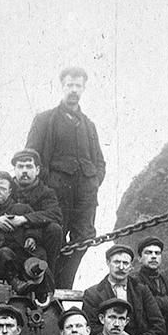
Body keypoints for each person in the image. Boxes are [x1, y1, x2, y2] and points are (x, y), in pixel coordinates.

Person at [26, 66, 106, 289]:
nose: (73, 90)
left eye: (77, 86)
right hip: (56, 194)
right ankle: (49, 287)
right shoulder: (44, 120)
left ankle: (64, 284)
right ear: (61, 87)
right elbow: (31, 156)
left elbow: (100, 161)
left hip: (85, 197)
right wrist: (45, 187)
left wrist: (94, 182)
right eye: (69, 85)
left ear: (83, 89)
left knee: (85, 238)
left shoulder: (89, 125)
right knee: (54, 238)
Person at [0, 171, 51, 295]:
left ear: (9, 191)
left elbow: (34, 227)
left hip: (19, 255)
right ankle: (16, 282)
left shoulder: (21, 209)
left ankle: (45, 293)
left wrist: (32, 237)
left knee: (39, 258)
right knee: (3, 254)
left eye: (2, 188)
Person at [82, 244, 166, 335]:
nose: (121, 267)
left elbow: (159, 326)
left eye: (125, 263)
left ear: (131, 266)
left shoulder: (142, 290)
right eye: (116, 262)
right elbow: (91, 327)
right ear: (108, 262)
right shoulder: (93, 293)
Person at [0, 148, 64, 276]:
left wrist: (24, 219)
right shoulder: (4, 189)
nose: (24, 171)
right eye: (20, 166)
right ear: (14, 170)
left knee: (55, 229)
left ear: (37, 170)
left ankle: (47, 276)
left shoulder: (46, 193)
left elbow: (55, 214)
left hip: (37, 241)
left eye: (29, 166)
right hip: (8, 241)